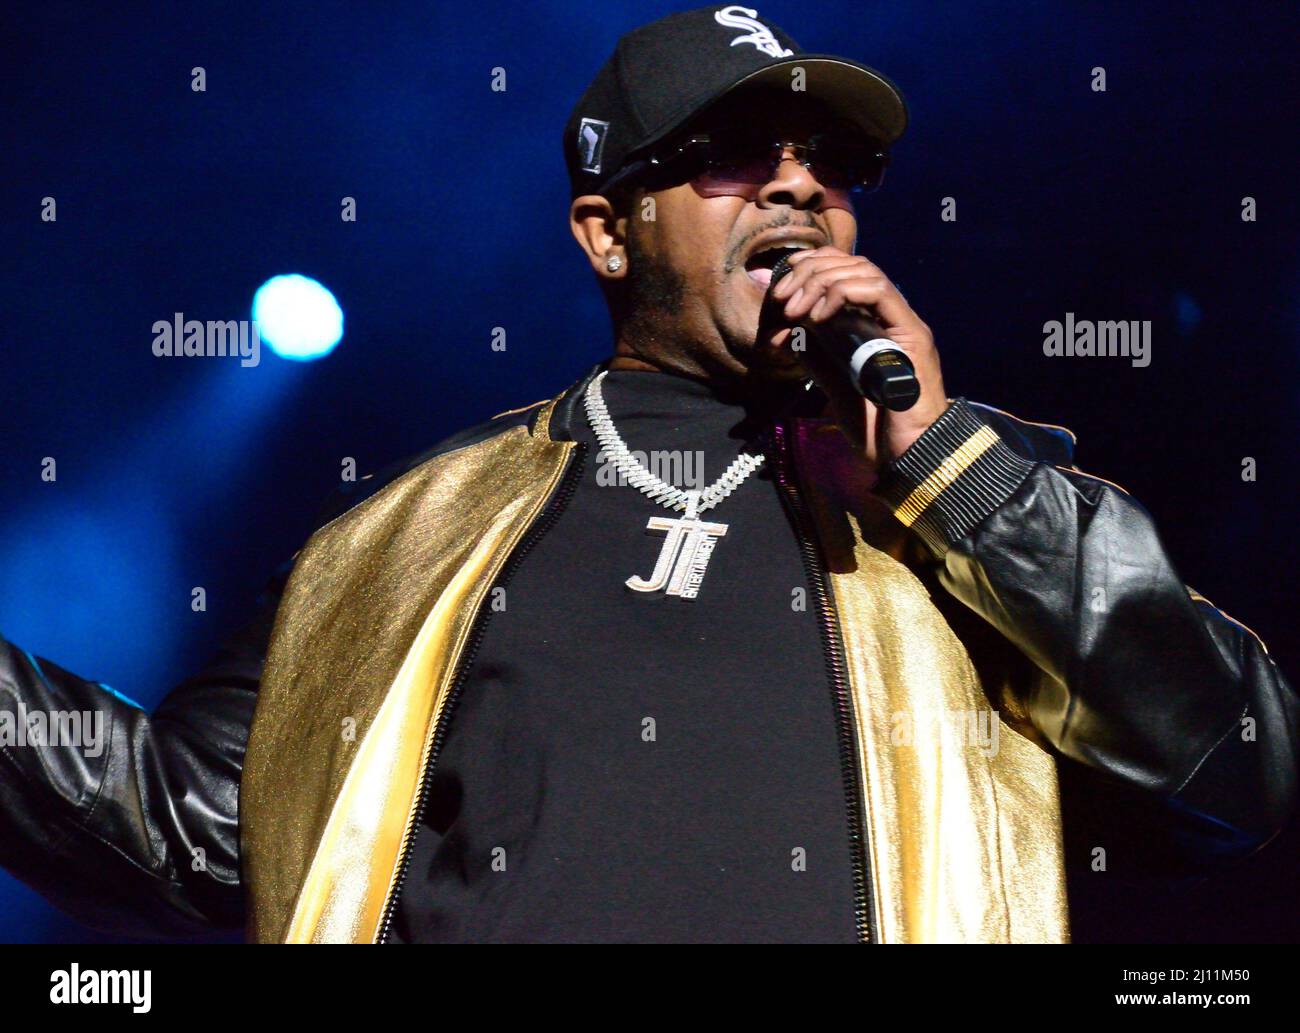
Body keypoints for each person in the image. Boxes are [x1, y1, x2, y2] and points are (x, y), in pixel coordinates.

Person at [1, 5, 1295, 944]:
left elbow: (1239, 770)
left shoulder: (962, 496)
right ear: (606, 233)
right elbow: (189, 818)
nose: (800, 185)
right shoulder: (411, 540)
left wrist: (951, 470)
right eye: (732, 151)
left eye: (831, 166)